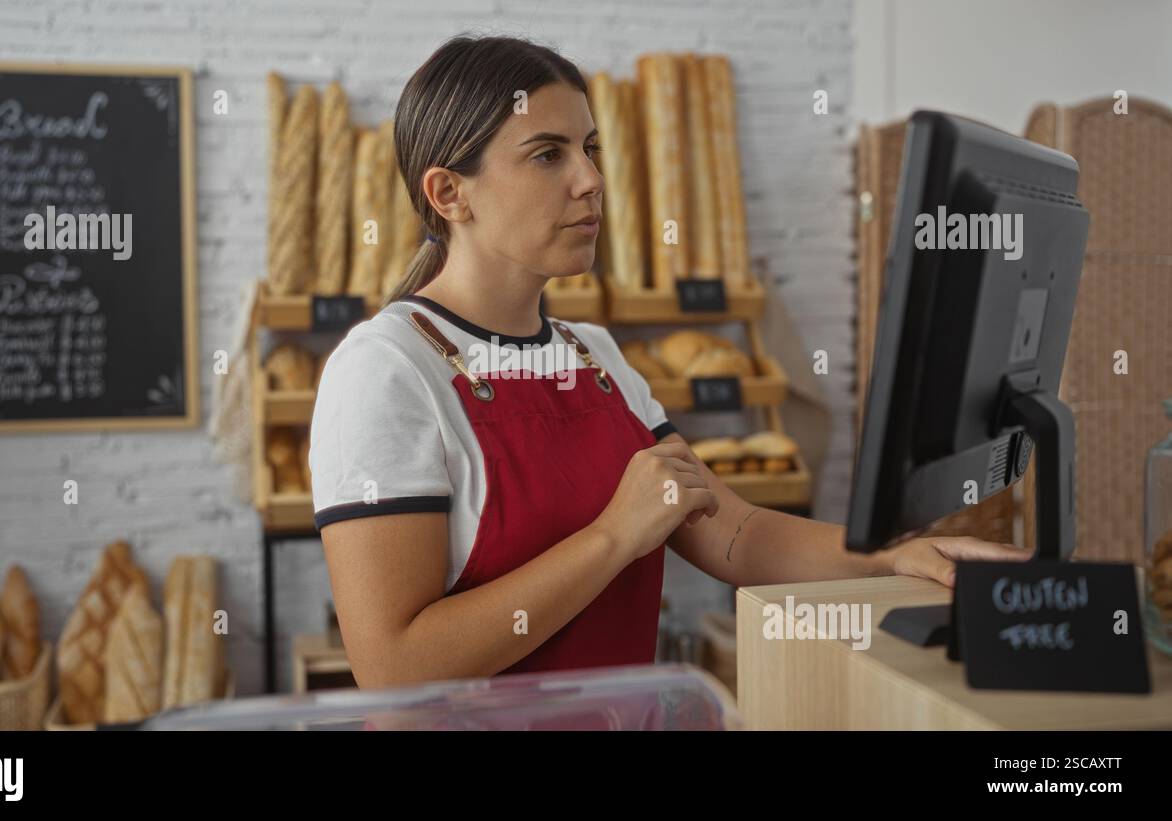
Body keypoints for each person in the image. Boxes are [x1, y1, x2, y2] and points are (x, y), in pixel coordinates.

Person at [307, 35, 1026, 689]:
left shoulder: (597, 357)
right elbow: (393, 665)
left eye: (590, 149)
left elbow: (735, 534)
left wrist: (889, 556)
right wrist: (615, 537)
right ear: (448, 192)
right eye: (548, 153)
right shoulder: (387, 370)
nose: (590, 180)